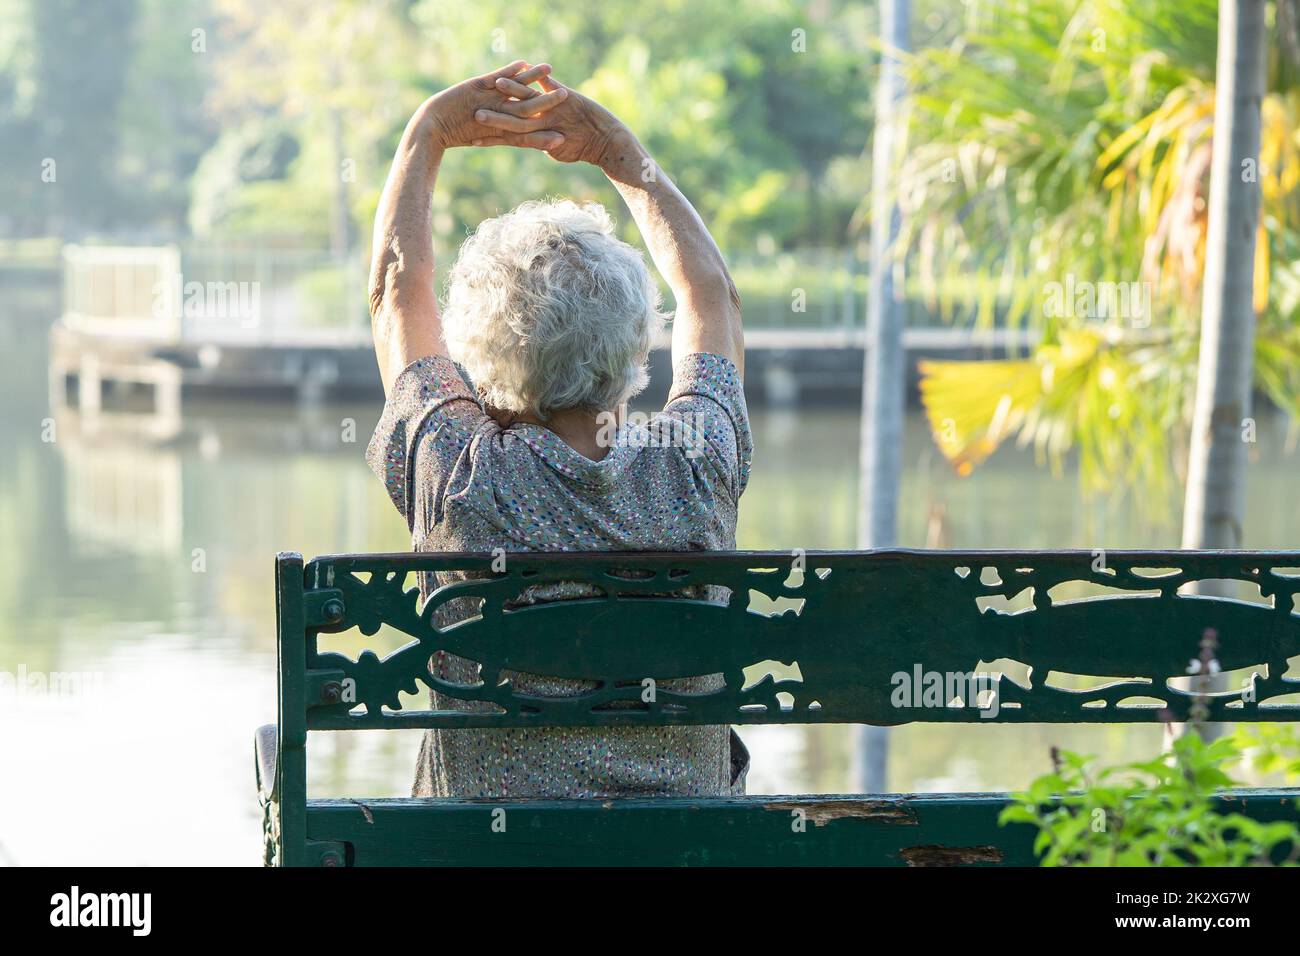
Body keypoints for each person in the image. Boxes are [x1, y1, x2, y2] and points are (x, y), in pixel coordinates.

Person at [365, 61, 750, 798]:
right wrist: (620, 156)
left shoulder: (458, 473)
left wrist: (427, 135)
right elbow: (712, 296)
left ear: (475, 354)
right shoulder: (697, 459)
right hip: (688, 849)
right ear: (638, 340)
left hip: (485, 853)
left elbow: (394, 290)